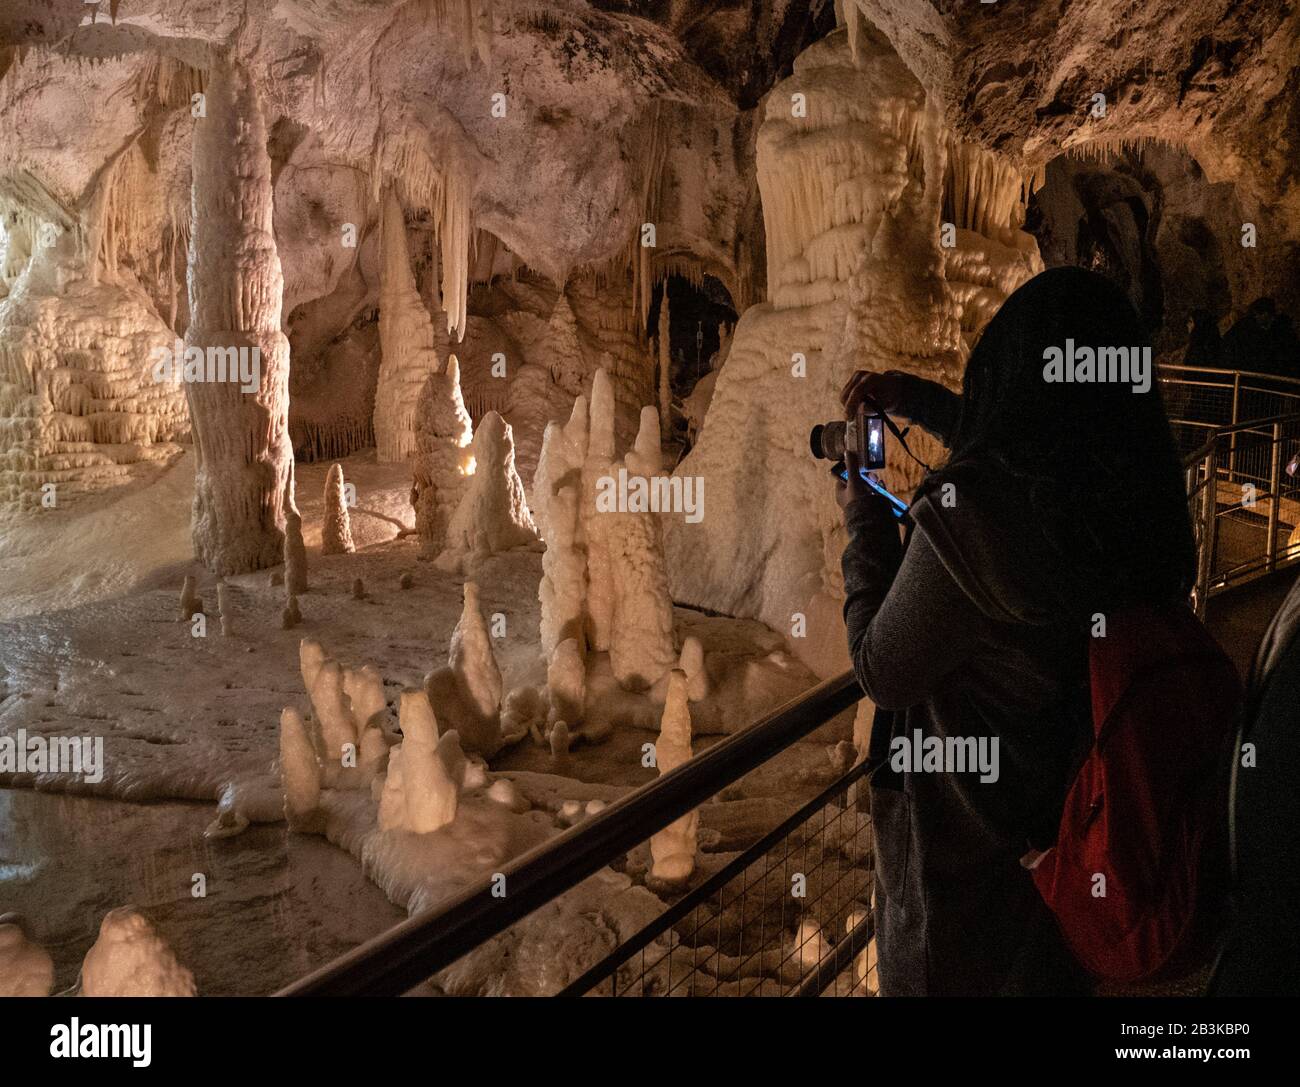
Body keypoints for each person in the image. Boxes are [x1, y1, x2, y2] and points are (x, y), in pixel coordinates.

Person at [837, 266, 1196, 996]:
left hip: (965, 872)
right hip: (1075, 850)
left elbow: (881, 666)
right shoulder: (1134, 501)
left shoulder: (974, 524)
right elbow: (1033, 428)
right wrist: (924, 403)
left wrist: (861, 508)